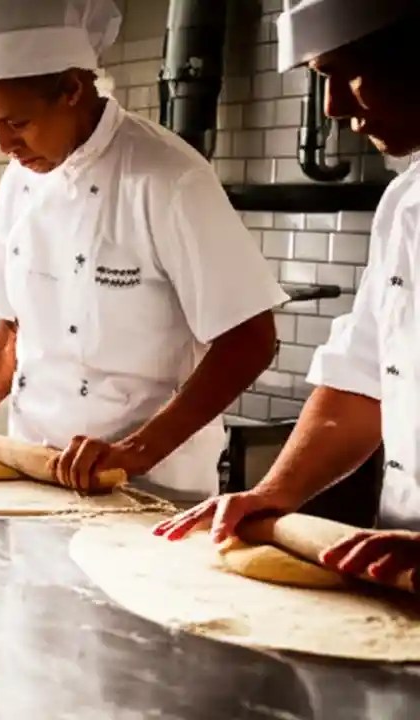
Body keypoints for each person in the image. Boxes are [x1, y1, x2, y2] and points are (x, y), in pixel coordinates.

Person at [0, 0, 286, 495]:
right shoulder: (19, 181)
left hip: (148, 485)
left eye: (15, 123)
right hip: (34, 470)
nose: (3, 146)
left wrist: (136, 451)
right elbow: (14, 326)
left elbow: (251, 338)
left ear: (71, 89)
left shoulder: (168, 177)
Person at [156, 1, 420, 589]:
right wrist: (272, 495)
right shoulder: (404, 204)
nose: (333, 108)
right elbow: (364, 379)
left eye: (345, 72)